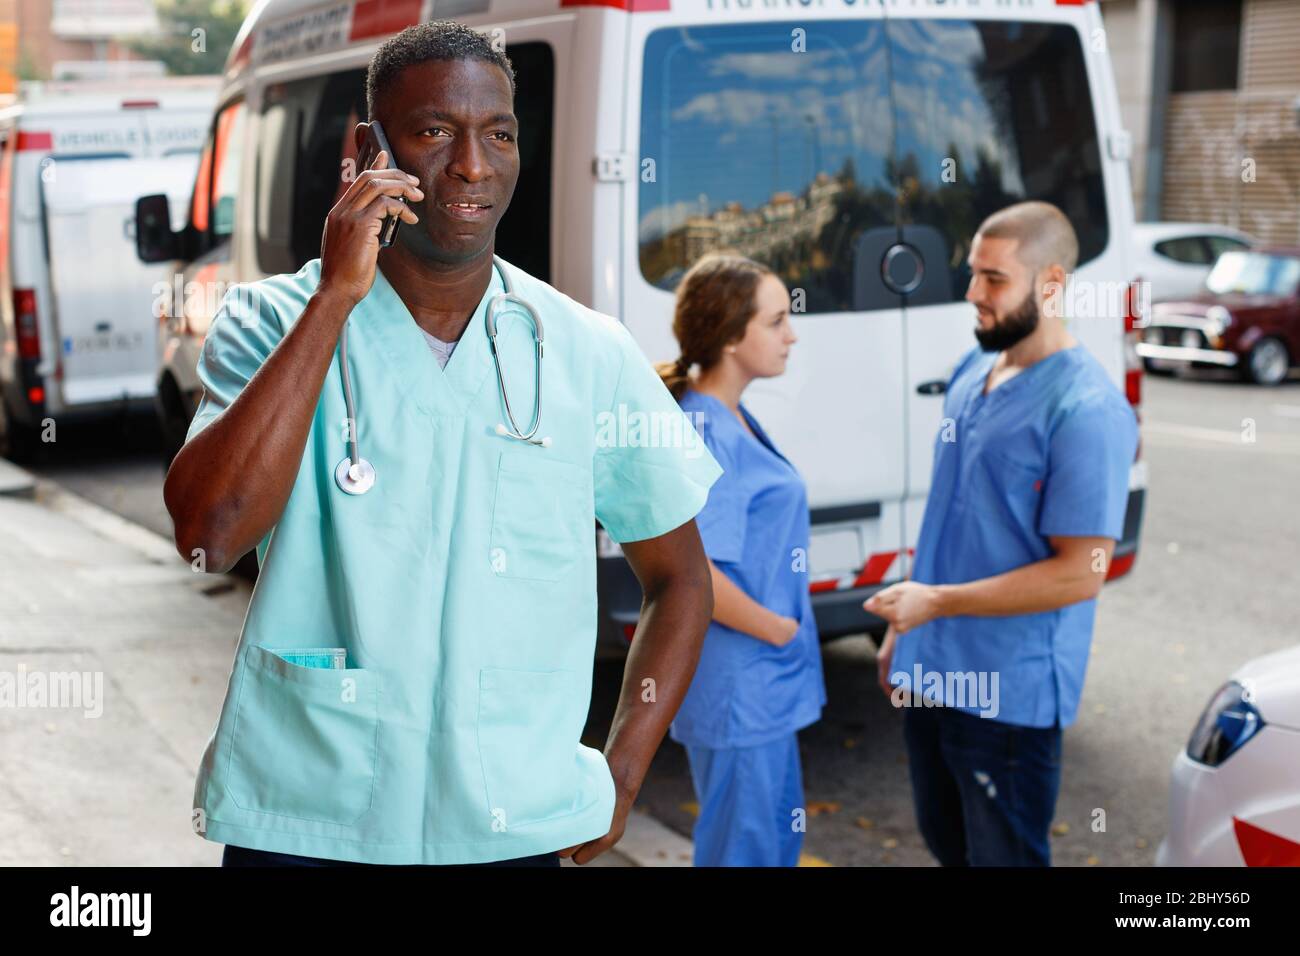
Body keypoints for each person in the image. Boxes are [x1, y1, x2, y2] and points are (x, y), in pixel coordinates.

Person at [164, 21, 724, 866]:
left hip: (512, 822)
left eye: (498, 133)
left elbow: (679, 580)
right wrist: (332, 303)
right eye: (434, 132)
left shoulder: (585, 351)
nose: (473, 165)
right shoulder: (269, 322)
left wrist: (626, 769)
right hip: (312, 820)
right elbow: (210, 534)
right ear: (368, 150)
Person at [865, 201, 1139, 867]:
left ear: (1050, 284)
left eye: (993, 280)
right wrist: (908, 632)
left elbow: (1082, 571)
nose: (972, 295)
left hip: (1007, 698)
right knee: (948, 845)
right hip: (932, 671)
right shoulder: (973, 370)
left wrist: (939, 605)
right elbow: (951, 521)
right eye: (973, 275)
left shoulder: (1088, 410)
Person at [655, 254, 827, 867]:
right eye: (777, 321)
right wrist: (779, 628)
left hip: (762, 684)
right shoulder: (704, 430)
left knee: (772, 844)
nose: (793, 333)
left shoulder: (729, 416)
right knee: (746, 852)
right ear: (731, 336)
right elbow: (696, 575)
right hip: (741, 686)